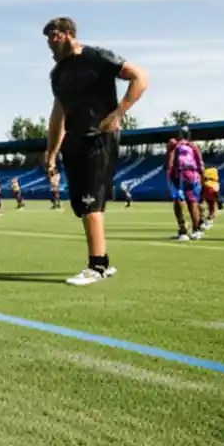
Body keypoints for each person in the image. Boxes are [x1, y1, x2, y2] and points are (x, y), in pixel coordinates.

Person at [42, 16, 149, 285]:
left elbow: (140, 77)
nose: (50, 44)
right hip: (74, 142)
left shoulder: (97, 57)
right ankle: (102, 261)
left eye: (53, 37)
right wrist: (51, 153)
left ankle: (97, 266)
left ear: (66, 34)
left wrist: (118, 113)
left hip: (99, 138)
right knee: (82, 205)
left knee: (92, 204)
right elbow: (58, 117)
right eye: (47, 39)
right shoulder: (58, 74)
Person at [166, 129, 204, 240]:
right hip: (193, 175)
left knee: (178, 201)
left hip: (180, 175)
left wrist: (169, 176)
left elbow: (170, 163)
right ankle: (196, 231)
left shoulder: (175, 145)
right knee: (192, 202)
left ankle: (183, 230)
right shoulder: (193, 146)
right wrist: (200, 178)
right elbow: (201, 164)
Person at [201, 164, 220, 229]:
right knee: (213, 207)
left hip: (205, 187)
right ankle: (208, 221)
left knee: (204, 205)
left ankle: (204, 221)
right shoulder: (214, 171)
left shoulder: (205, 171)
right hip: (211, 187)